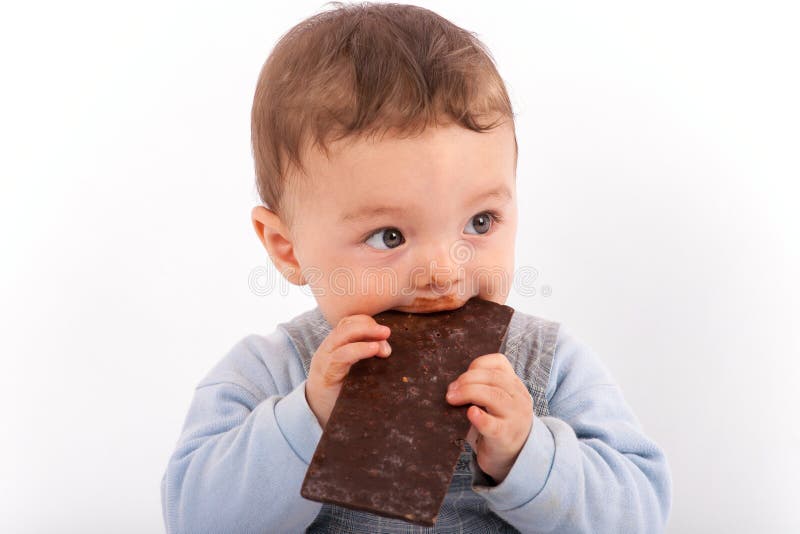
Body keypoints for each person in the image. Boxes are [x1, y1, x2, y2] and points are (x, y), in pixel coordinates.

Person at [160, 2, 671, 532]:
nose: (444, 273)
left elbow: (642, 514)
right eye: (390, 236)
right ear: (287, 248)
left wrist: (527, 454)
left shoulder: (551, 366)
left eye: (479, 222)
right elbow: (195, 518)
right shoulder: (266, 375)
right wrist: (309, 419)